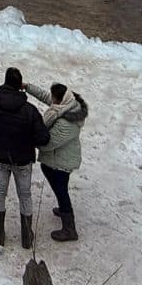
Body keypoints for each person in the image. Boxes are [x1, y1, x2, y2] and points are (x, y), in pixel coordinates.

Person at [0, 68, 49, 249]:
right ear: (20, 86)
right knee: (25, 195)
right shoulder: (30, 110)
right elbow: (43, 138)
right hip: (23, 160)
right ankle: (26, 237)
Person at [25, 82, 87, 242]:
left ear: (59, 100)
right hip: (57, 159)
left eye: (53, 98)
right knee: (61, 189)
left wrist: (29, 139)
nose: (50, 99)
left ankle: (69, 229)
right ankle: (63, 209)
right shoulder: (67, 105)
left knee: (61, 191)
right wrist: (28, 86)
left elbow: (48, 143)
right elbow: (46, 97)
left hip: (61, 163)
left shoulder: (68, 123)